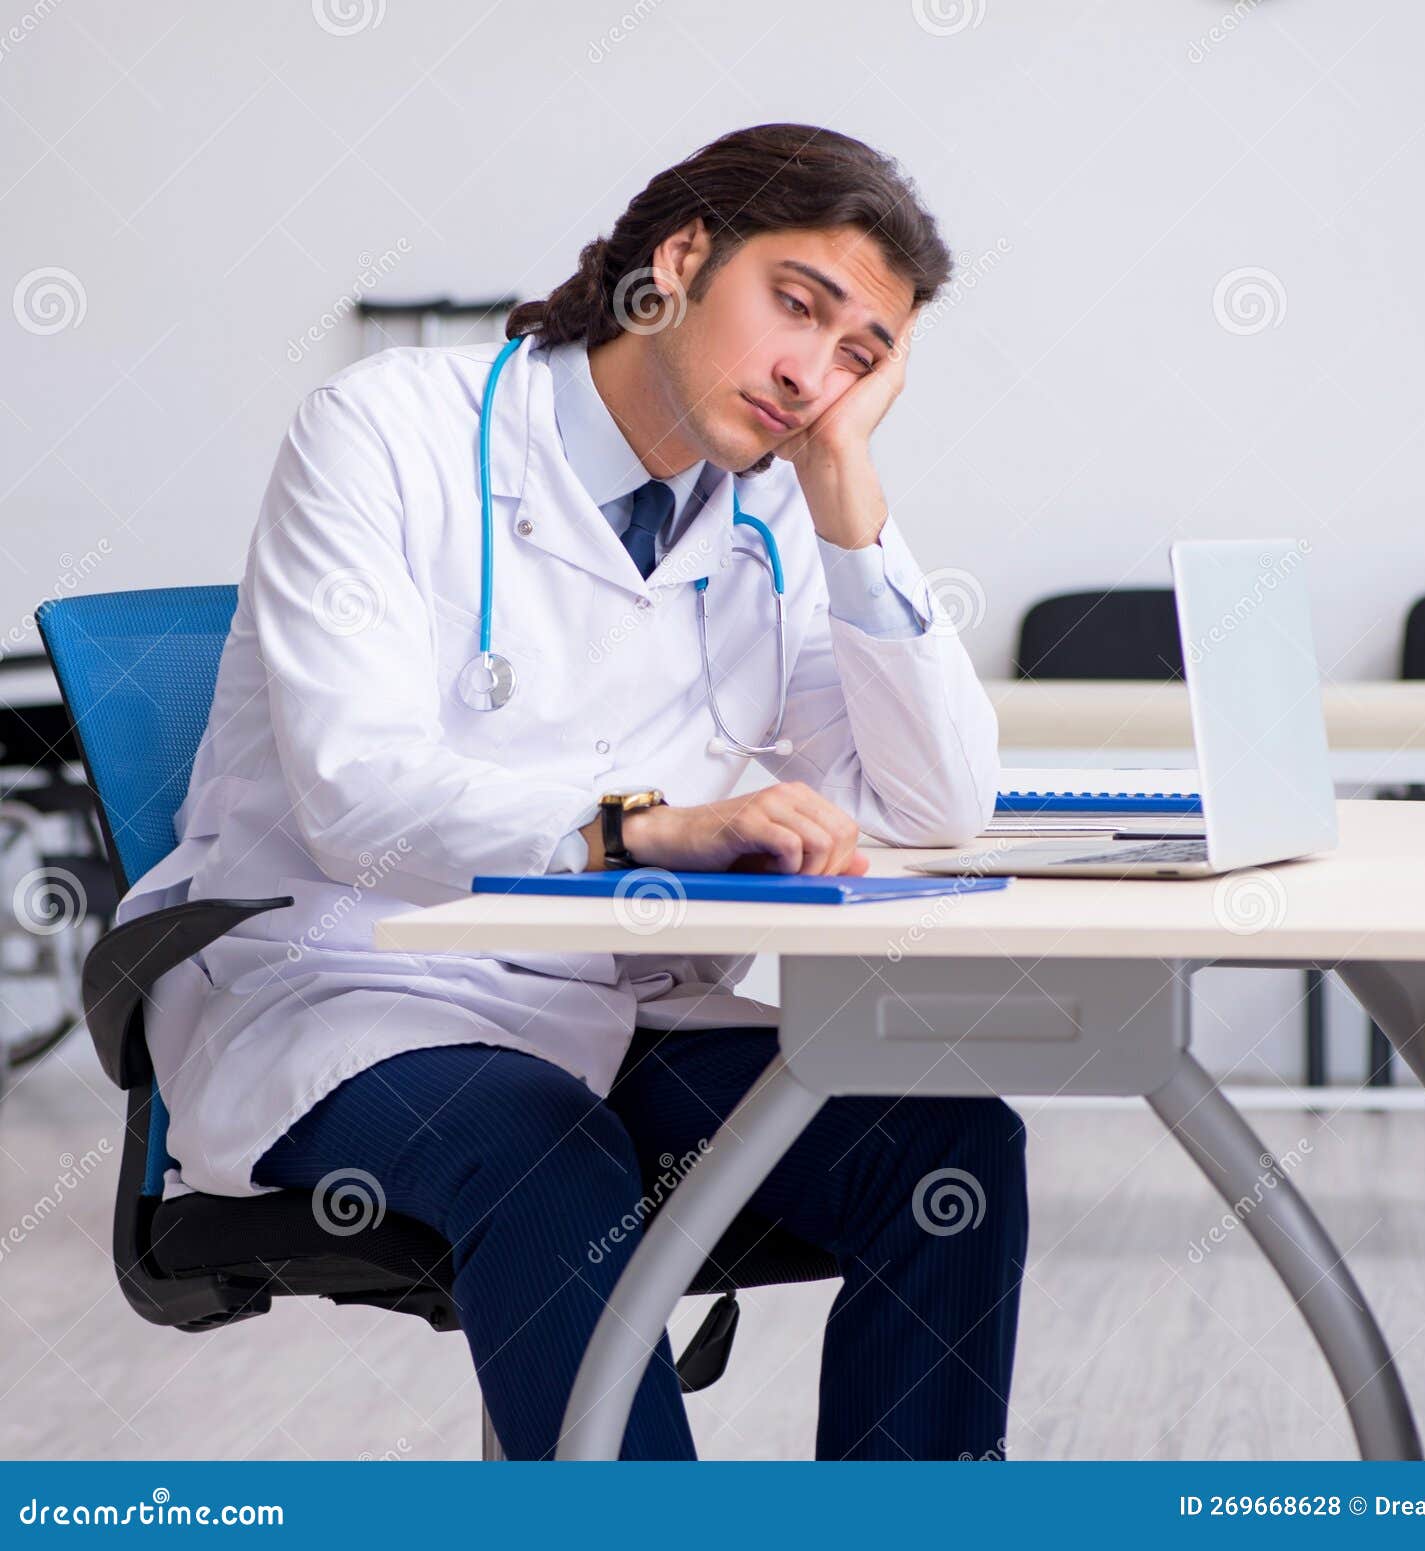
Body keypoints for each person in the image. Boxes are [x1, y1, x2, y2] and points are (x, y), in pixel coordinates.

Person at [125, 122, 1027, 1460]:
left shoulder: (774, 507)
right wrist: (640, 831)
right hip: (357, 990)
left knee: (947, 1142)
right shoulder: (388, 431)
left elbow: (941, 796)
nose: (811, 373)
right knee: (543, 1154)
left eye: (862, 356)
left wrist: (849, 496)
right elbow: (354, 797)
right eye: (798, 305)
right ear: (678, 260)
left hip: (613, 1001)